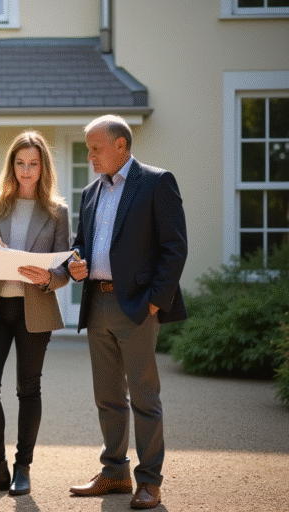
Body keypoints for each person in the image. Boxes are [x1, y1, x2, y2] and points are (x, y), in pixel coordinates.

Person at [67, 115, 187, 509]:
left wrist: (156, 300)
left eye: (95, 148)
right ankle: (114, 472)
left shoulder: (156, 182)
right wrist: (75, 263)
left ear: (121, 145)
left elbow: (175, 247)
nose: (90, 155)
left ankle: (149, 481)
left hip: (137, 306)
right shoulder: (90, 192)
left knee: (144, 397)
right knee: (108, 397)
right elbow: (82, 244)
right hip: (96, 302)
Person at [0, 131, 70, 496]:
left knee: (28, 389)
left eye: (33, 164)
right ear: (12, 165)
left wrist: (49, 277)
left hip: (33, 310)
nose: (26, 171)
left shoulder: (57, 212)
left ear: (43, 168)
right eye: (20, 163)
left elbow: (64, 268)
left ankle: (23, 468)